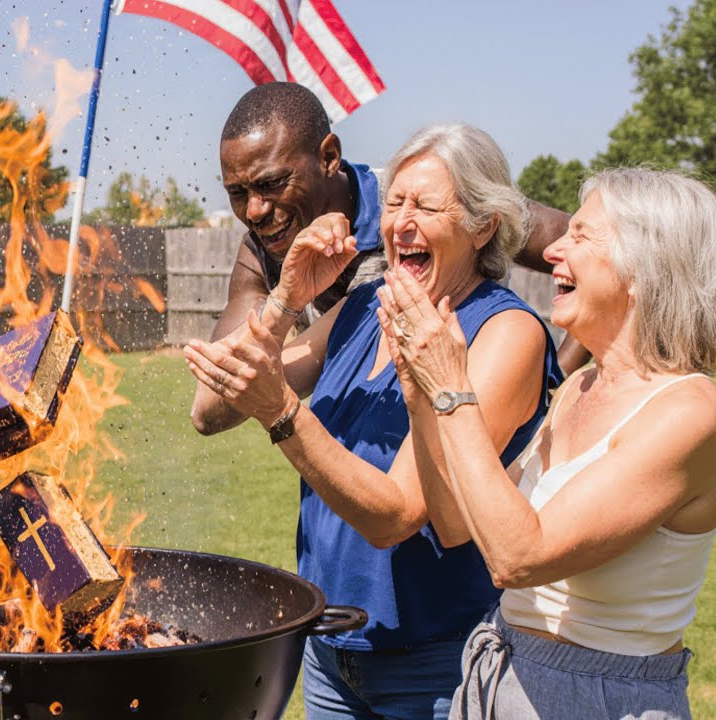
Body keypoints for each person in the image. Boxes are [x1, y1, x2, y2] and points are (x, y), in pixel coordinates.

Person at [185, 124, 563, 719]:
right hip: (329, 655)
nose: (400, 223)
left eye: (426, 205)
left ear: (483, 226)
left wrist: (282, 413)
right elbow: (210, 410)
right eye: (394, 203)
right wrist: (285, 299)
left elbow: (397, 515)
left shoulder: (504, 333)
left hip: (435, 668)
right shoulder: (365, 305)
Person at [381, 167, 716, 720]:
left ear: (645, 266)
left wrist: (452, 390)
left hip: (602, 699)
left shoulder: (691, 412)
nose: (554, 248)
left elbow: (518, 558)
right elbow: (458, 525)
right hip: (505, 674)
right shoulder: (579, 386)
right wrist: (422, 396)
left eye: (581, 236)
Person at [191, 83, 584, 438]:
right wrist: (284, 300)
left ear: (329, 156)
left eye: (271, 183)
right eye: (237, 192)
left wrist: (559, 376)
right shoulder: (263, 252)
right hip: (358, 443)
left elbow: (598, 255)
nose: (255, 211)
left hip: (461, 439)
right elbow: (213, 409)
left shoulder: (416, 199)